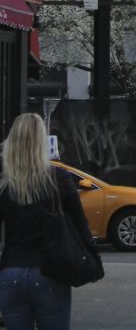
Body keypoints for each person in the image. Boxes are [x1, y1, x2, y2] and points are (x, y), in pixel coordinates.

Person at [0, 113, 99, 330]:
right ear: (41, 142)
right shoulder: (59, 179)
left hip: (10, 272)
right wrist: (94, 262)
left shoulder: (5, 184)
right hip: (50, 271)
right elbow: (81, 226)